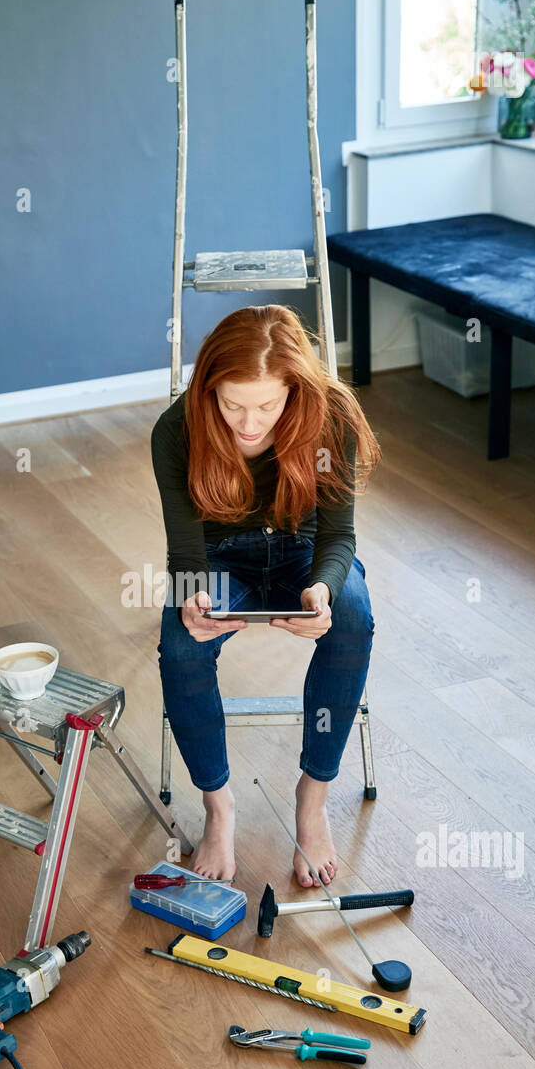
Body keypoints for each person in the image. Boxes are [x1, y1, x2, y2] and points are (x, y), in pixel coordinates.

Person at [151, 304, 380, 887]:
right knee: (181, 647)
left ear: (294, 391)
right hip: (220, 555)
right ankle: (218, 807)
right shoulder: (176, 431)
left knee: (351, 616)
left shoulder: (332, 419)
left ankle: (313, 797)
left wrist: (325, 590)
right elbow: (184, 550)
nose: (249, 425)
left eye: (267, 406)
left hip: (304, 549)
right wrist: (191, 596)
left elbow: (339, 534)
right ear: (209, 389)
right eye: (232, 405)